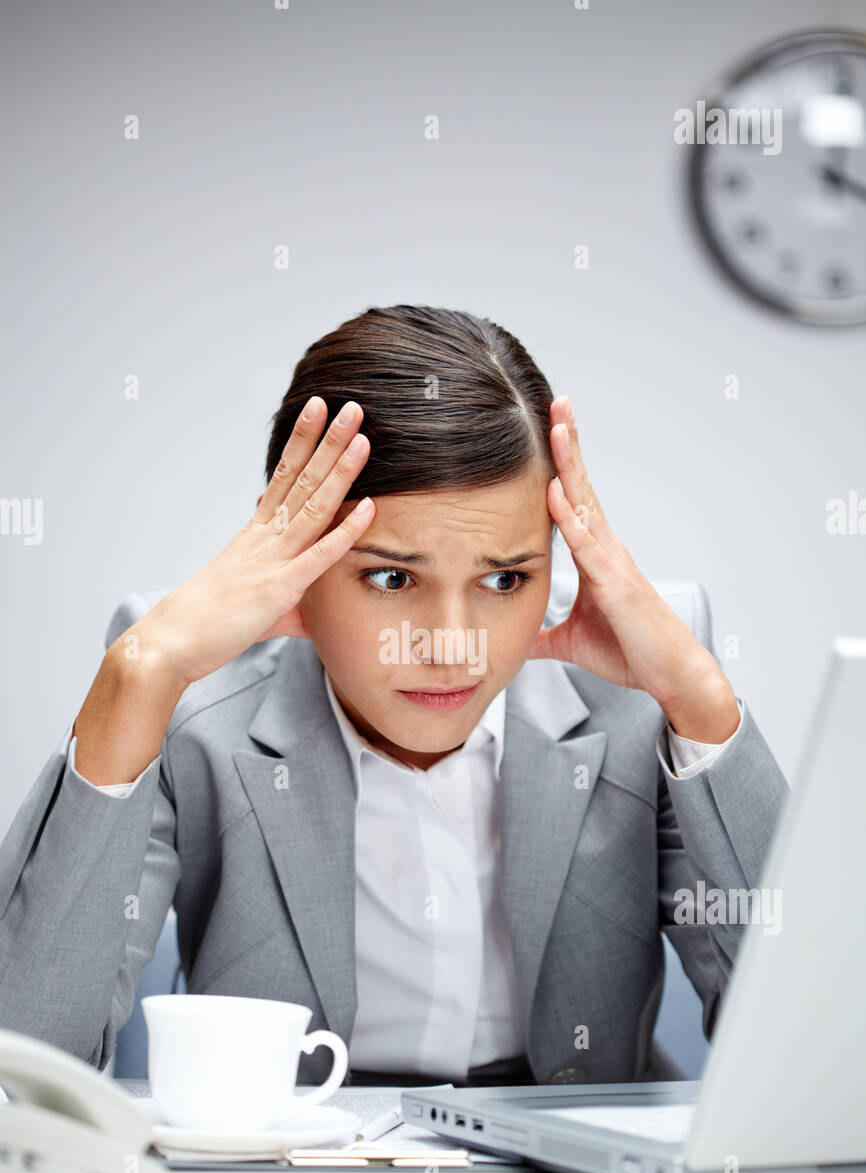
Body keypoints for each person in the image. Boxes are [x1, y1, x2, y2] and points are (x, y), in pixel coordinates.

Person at [0, 304, 787, 1088]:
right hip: (285, 1172)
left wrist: (700, 702)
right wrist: (139, 673)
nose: (451, 644)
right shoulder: (191, 684)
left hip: (579, 1167)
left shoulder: (640, 678)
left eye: (505, 578)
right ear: (297, 559)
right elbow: (29, 1068)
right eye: (392, 577)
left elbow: (815, 1054)